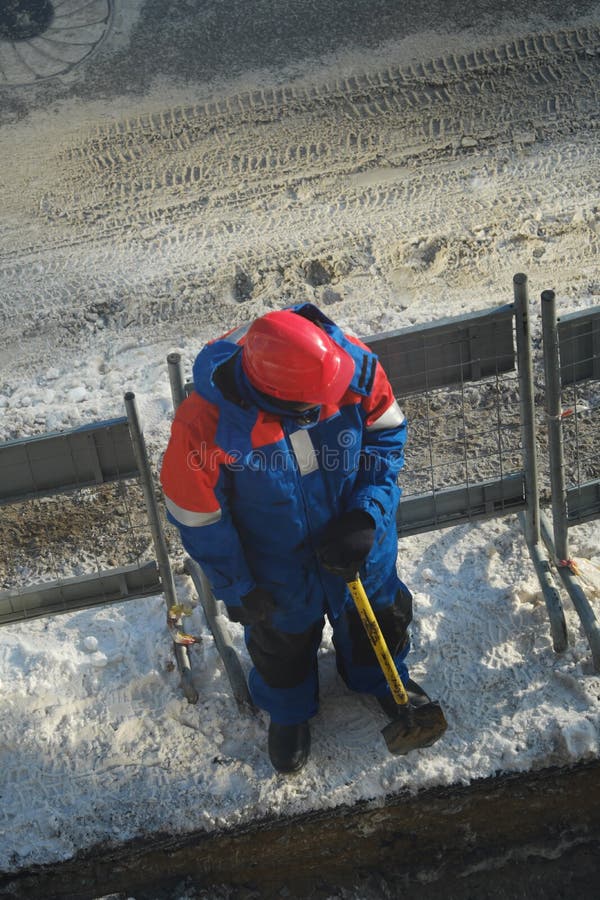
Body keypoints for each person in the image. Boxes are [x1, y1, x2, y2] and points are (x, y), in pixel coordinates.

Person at [160, 303, 441, 774]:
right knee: (280, 640)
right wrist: (236, 586)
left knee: (379, 613)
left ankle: (383, 681)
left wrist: (366, 516)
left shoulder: (349, 365)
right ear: (275, 398)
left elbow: (387, 436)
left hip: (356, 539)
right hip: (273, 562)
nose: (332, 406)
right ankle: (289, 712)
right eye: (316, 407)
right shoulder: (204, 426)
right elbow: (198, 515)